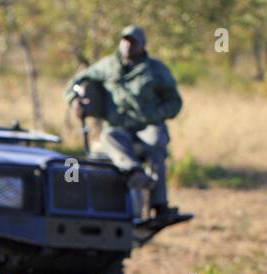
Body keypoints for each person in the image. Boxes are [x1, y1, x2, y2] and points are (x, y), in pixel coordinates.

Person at [65, 25, 183, 222]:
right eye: (125, 40)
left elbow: (175, 102)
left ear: (143, 45)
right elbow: (75, 82)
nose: (128, 45)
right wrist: (74, 101)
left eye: (133, 42)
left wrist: (156, 114)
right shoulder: (107, 66)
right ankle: (135, 173)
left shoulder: (156, 69)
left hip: (148, 126)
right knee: (108, 136)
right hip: (119, 128)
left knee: (156, 143)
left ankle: (159, 206)